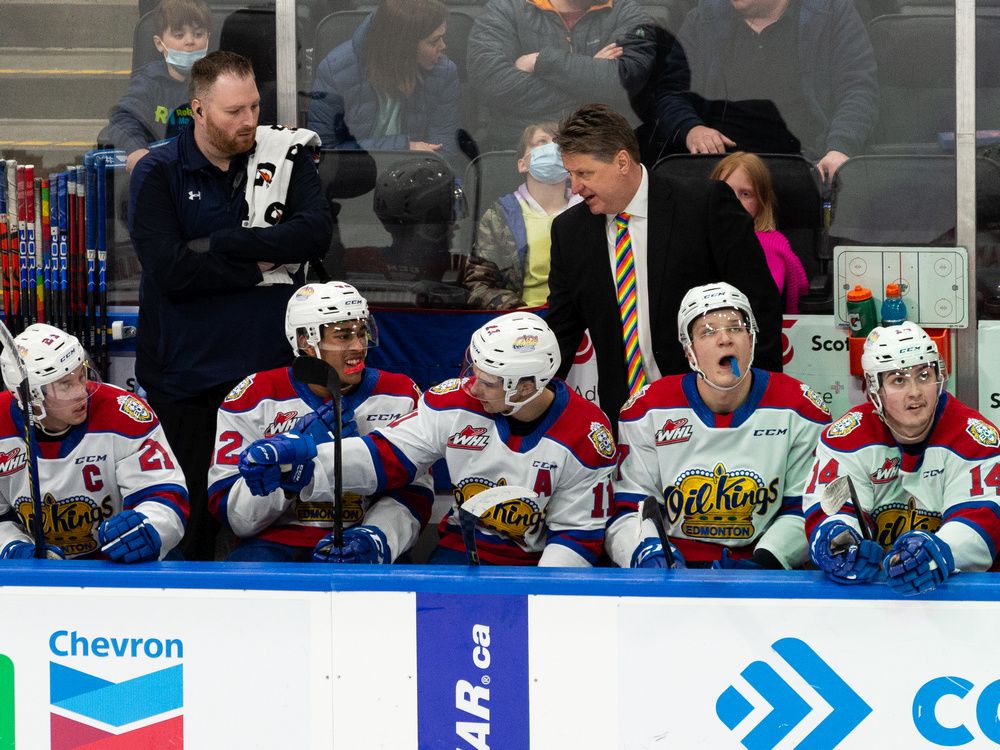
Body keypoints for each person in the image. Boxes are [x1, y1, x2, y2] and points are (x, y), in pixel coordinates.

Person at [128, 51, 333, 560]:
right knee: (193, 521)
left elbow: (313, 234)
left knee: (270, 513)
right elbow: (171, 272)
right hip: (187, 376)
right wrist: (261, 263)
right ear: (197, 109)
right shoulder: (157, 171)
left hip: (266, 376)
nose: (248, 122)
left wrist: (221, 242)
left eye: (254, 107)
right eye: (233, 111)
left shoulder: (286, 156)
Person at [239, 312, 618, 566]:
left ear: (527, 387)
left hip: (535, 565)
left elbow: (576, 537)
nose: (473, 385)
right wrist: (306, 468)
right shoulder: (455, 402)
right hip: (461, 552)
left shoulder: (587, 435)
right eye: (474, 370)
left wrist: (536, 600)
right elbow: (388, 454)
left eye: (487, 381)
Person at [547, 103, 782, 426]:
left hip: (715, 412)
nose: (574, 187)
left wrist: (763, 400)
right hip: (626, 421)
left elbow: (759, 304)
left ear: (622, 162)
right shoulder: (569, 231)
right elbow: (561, 330)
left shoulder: (704, 205)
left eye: (584, 173)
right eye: (570, 175)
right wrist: (526, 389)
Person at [605, 281, 829, 568]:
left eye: (736, 328)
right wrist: (651, 555)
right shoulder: (648, 409)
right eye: (707, 332)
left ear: (751, 340)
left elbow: (806, 507)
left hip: (762, 568)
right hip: (673, 564)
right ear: (689, 352)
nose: (725, 339)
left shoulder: (800, 407)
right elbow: (630, 508)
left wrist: (768, 561)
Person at [208, 282, 432, 562]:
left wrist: (376, 537)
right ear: (305, 341)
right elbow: (235, 516)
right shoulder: (253, 396)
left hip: (362, 538)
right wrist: (288, 472)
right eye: (343, 336)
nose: (358, 347)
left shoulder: (400, 393)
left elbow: (416, 493)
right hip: (274, 544)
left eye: (362, 332)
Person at [804, 322, 1000, 595]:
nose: (915, 392)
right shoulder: (845, 438)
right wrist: (840, 540)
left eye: (923, 375)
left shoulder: (973, 436)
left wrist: (938, 551)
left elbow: (983, 520)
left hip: (955, 596)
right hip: (870, 596)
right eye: (898, 379)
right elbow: (829, 513)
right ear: (875, 390)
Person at [0, 324, 188, 562]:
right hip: (40, 570)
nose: (82, 391)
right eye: (65, 385)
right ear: (31, 396)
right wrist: (11, 546)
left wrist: (149, 526)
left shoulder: (123, 413)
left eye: (82, 375)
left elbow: (164, 493)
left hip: (121, 563)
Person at [651, 0, 877, 182]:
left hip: (806, 166)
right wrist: (691, 128)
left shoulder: (831, 14)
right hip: (720, 169)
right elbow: (670, 91)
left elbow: (857, 90)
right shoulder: (704, 19)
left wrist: (840, 148)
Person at [467, 0, 657, 150]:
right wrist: (591, 73)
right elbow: (493, 82)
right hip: (520, 148)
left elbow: (629, 81)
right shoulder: (504, 10)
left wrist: (541, 61)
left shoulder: (628, 14)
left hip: (605, 148)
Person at [308, 0, 460, 153]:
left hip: (418, 172)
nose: (443, 47)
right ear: (404, 46)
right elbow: (323, 150)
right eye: (434, 42)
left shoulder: (444, 73)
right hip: (352, 173)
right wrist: (404, 147)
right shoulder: (335, 72)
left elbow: (442, 150)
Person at [463, 121, 581, 310]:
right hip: (523, 324)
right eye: (542, 142)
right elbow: (479, 285)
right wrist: (516, 310)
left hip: (581, 326)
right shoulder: (498, 217)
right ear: (522, 165)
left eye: (559, 142)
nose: (552, 148)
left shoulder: (590, 210)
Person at [99, 0, 211, 173]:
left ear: (208, 39)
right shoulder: (148, 81)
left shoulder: (217, 80)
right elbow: (122, 119)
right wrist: (136, 149)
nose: (190, 41)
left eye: (198, 34)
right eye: (179, 35)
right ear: (160, 44)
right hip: (162, 171)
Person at [709, 152, 809, 313]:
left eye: (746, 194)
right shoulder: (697, 239)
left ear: (761, 201)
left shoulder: (769, 244)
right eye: (725, 190)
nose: (734, 200)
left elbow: (763, 299)